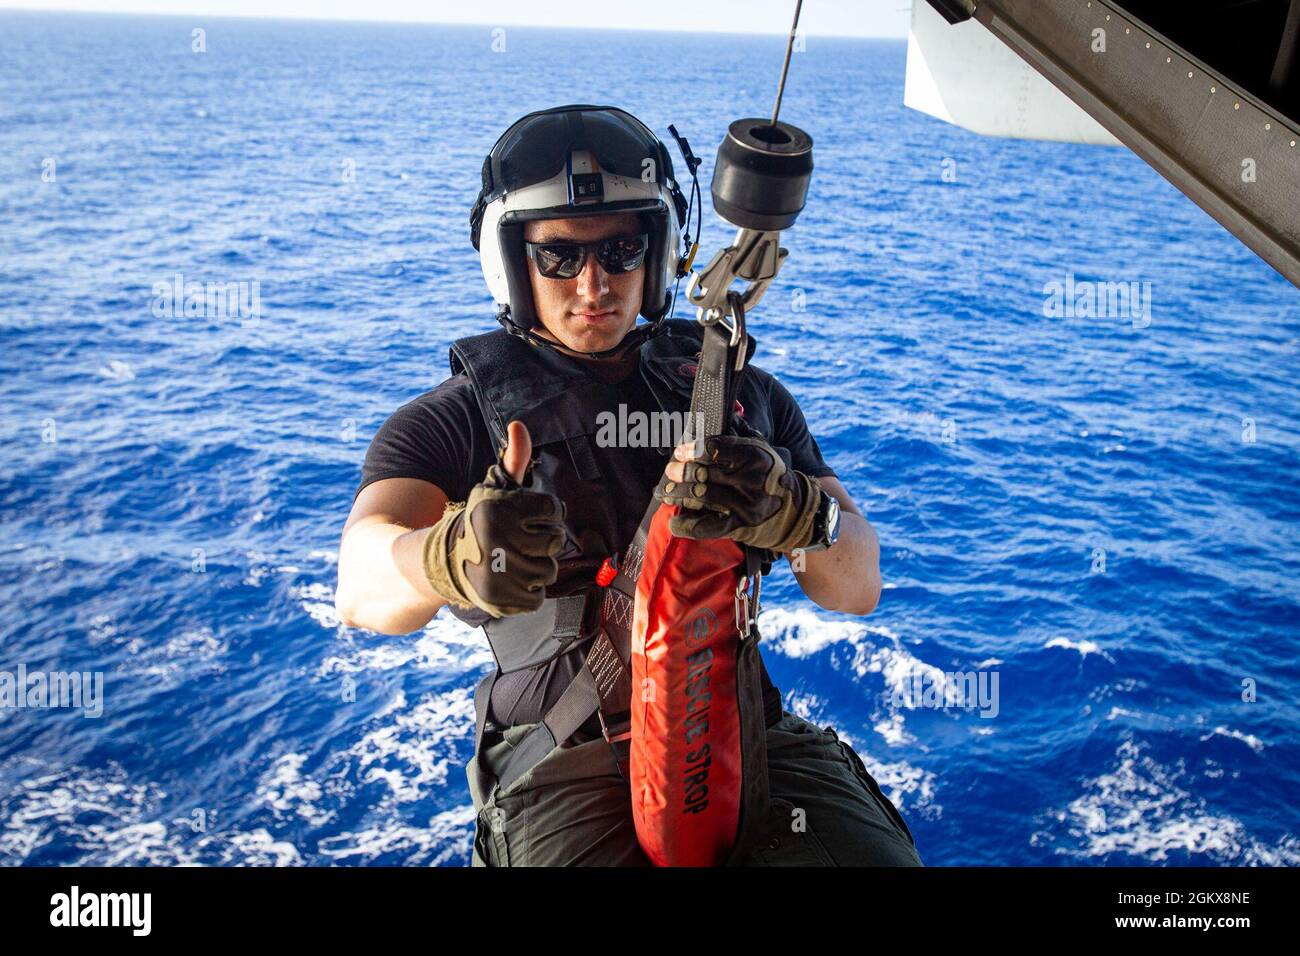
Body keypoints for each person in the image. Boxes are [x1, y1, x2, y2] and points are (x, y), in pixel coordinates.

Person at [335, 104, 921, 867]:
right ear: (513, 263)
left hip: (742, 732)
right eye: (558, 258)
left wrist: (798, 514)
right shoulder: (457, 420)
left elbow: (858, 584)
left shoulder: (739, 396)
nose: (594, 283)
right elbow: (358, 587)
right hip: (567, 764)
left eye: (621, 249)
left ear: (659, 252)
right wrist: (446, 555)